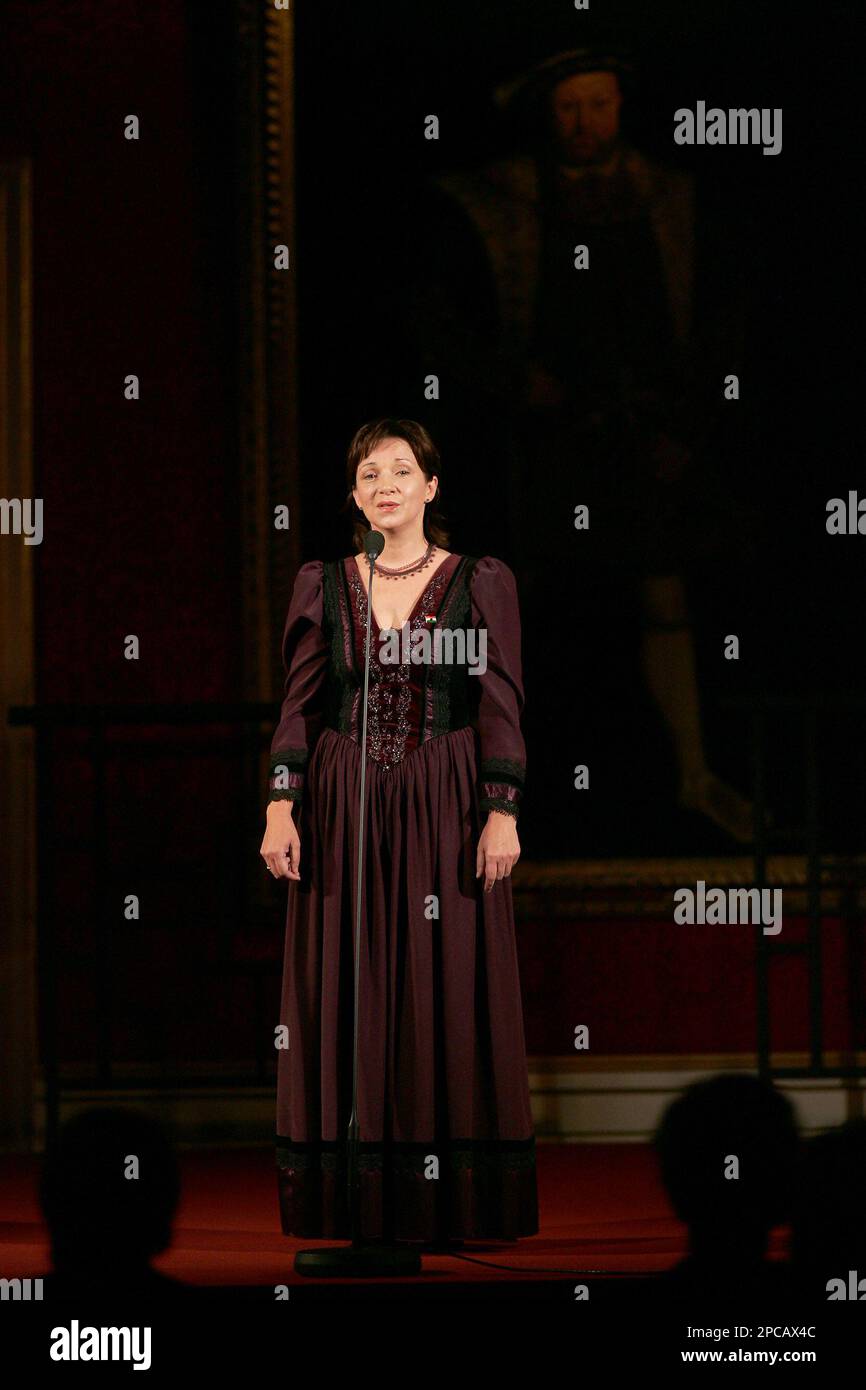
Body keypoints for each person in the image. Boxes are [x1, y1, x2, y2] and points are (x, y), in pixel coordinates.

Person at [409, 45, 755, 851]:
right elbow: (439, 327)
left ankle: (694, 777)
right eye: (570, 107)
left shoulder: (672, 203)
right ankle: (499, 792)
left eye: (598, 106)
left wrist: (687, 429)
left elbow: (718, 331)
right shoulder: (499, 203)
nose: (585, 123)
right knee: (519, 609)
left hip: (645, 437)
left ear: (620, 110)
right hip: (540, 441)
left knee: (663, 596)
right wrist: (513, 384)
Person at [259, 418, 538, 1246]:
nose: (386, 484)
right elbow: (301, 704)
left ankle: (445, 1198)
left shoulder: (477, 581)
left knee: (440, 979)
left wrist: (503, 808)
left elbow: (499, 701)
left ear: (431, 486)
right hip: (346, 803)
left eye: (402, 470)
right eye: (369, 474)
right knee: (349, 980)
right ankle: (350, 1196)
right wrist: (281, 803)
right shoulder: (326, 583)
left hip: (443, 800)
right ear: (354, 495)